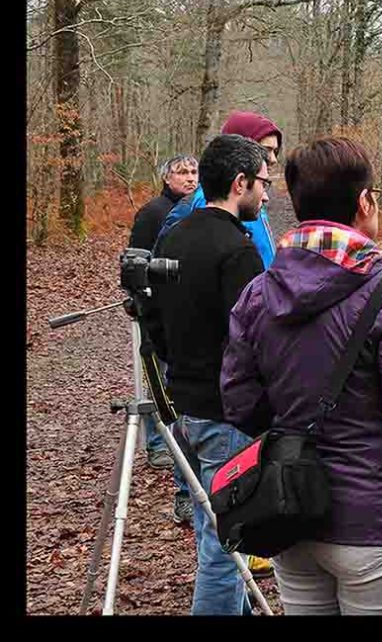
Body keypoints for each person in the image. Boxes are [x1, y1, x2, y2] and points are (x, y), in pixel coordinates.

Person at [221, 137, 382, 615]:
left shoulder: (258, 293)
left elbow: (240, 403)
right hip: (379, 520)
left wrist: (293, 438)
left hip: (291, 509)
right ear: (364, 201)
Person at [147, 134, 270, 615]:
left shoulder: (175, 235)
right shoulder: (237, 251)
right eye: (262, 182)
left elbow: (153, 321)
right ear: (240, 183)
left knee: (211, 525)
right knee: (225, 547)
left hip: (184, 410)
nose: (266, 194)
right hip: (224, 416)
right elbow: (253, 340)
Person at [128, 154, 198, 526]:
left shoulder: (199, 211)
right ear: (166, 177)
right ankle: (158, 444)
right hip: (158, 314)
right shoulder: (153, 213)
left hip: (186, 315)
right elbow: (137, 263)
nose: (189, 178)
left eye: (194, 172)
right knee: (160, 382)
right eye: (182, 172)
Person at [157, 110, 281, 268]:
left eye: (275, 151)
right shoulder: (211, 201)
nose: (273, 159)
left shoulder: (249, 198)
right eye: (266, 149)